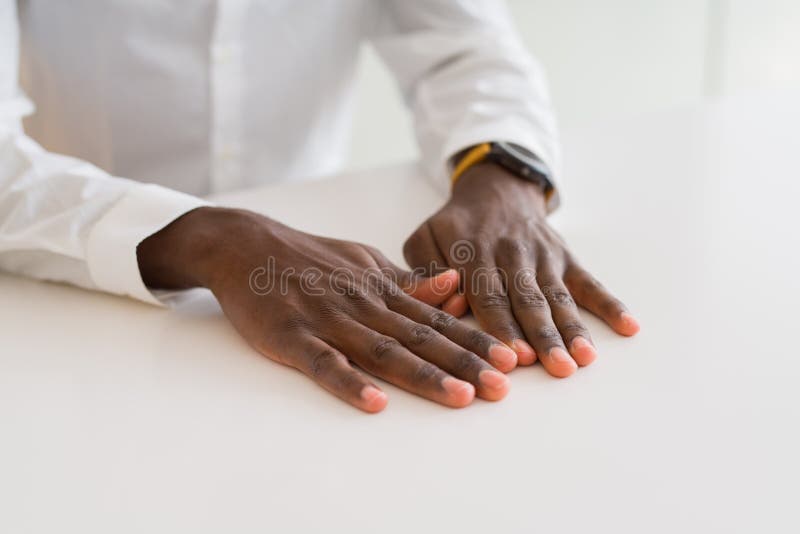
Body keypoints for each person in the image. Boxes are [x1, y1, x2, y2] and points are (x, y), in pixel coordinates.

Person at [0, 1, 639, 413]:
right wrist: (214, 241)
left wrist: (502, 178)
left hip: (336, 261)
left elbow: (466, 49)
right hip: (64, 312)